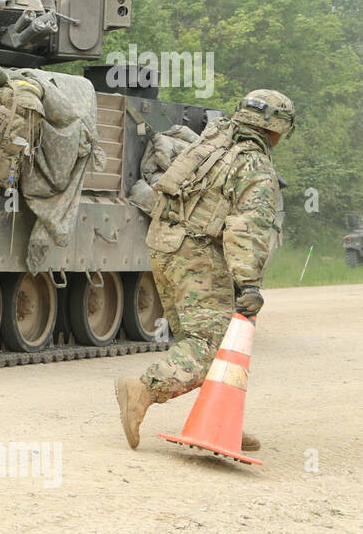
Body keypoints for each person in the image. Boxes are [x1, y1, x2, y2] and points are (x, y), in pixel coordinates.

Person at [116, 89, 296, 450]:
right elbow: (248, 226)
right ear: (275, 130)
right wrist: (249, 285)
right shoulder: (254, 164)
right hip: (196, 251)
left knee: (196, 337)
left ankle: (220, 417)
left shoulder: (215, 139)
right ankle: (142, 389)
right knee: (211, 344)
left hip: (166, 243)